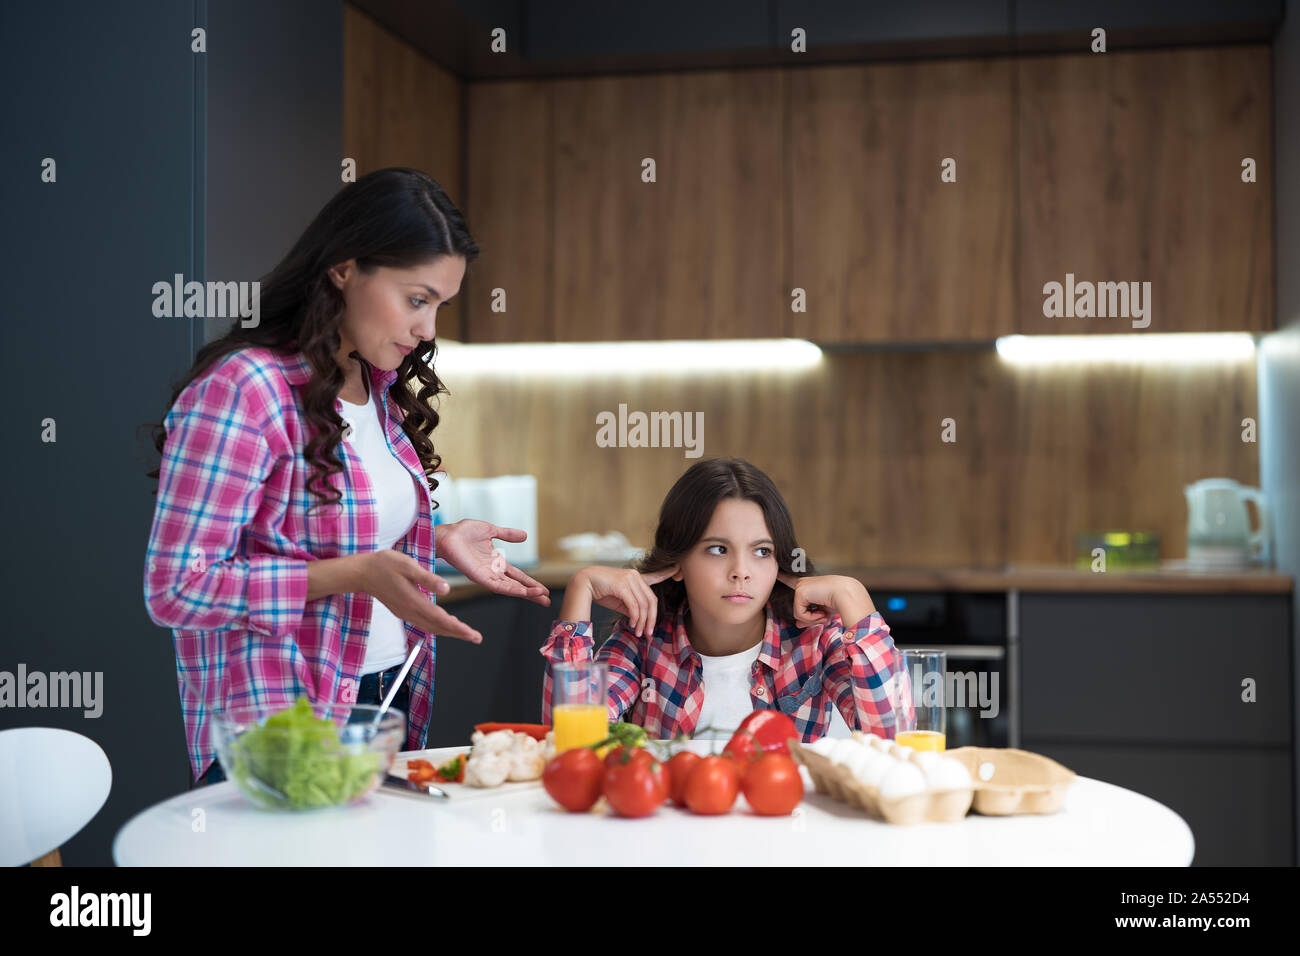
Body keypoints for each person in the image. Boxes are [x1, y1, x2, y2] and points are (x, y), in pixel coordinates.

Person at [143, 168, 550, 786]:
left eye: (440, 305)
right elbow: (176, 587)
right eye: (417, 299)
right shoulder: (245, 388)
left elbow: (328, 531)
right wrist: (358, 574)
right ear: (344, 269)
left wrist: (435, 541)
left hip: (383, 697)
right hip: (281, 721)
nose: (428, 329)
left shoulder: (375, 387)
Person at [540, 457, 901, 741]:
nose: (741, 571)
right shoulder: (643, 640)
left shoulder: (816, 639)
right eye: (717, 549)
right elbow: (571, 745)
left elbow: (892, 740)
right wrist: (580, 589)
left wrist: (855, 598)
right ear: (678, 562)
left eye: (761, 551)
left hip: (787, 830)